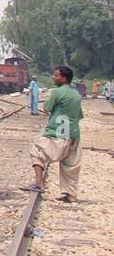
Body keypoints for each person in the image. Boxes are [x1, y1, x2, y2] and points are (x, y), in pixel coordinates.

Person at [23, 65, 84, 202]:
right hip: (74, 135)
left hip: (57, 134)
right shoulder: (77, 95)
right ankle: (71, 194)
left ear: (64, 78)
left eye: (56, 75)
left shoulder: (57, 92)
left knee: (37, 150)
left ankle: (39, 183)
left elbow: (47, 107)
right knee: (70, 166)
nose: (53, 77)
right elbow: (79, 115)